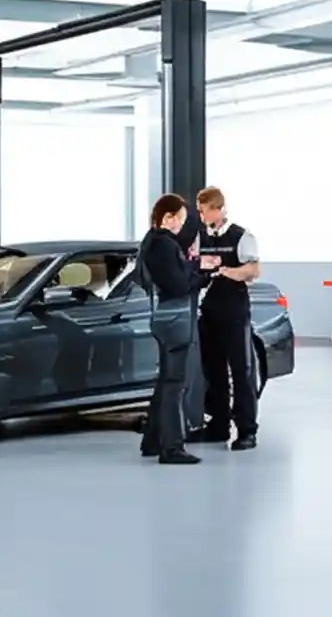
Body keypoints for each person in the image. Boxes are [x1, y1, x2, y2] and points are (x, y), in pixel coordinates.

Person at [136, 193, 207, 465]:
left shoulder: (151, 242)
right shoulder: (164, 245)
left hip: (164, 319)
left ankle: (153, 441)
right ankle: (172, 447)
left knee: (166, 382)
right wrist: (202, 279)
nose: (181, 224)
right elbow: (177, 285)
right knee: (174, 384)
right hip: (175, 320)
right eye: (180, 218)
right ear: (168, 217)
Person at [193, 186, 261, 451]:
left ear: (218, 209)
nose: (201, 217)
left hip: (234, 309)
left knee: (241, 370)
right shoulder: (200, 236)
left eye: (204, 211)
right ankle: (218, 425)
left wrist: (228, 271)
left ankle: (247, 430)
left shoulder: (241, 236)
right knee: (213, 369)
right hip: (208, 309)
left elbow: (254, 269)